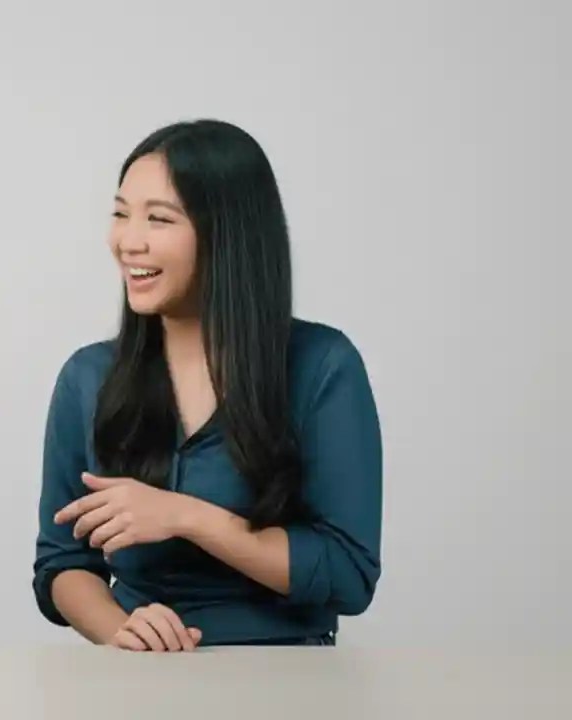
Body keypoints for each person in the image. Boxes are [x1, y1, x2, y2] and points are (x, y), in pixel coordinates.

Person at [32, 119, 381, 650]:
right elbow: (61, 564)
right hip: (137, 684)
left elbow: (348, 575)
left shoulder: (323, 366)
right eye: (121, 214)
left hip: (289, 682)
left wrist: (184, 516)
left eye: (159, 219)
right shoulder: (87, 378)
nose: (129, 241)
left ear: (226, 234)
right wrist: (122, 632)